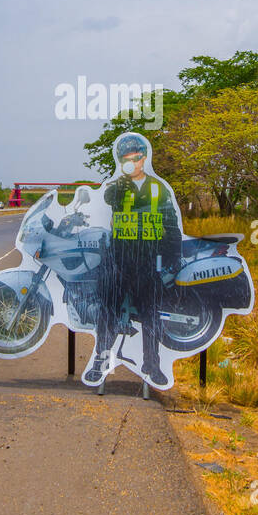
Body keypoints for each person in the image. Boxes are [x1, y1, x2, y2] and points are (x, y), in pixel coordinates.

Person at [87, 133, 182, 388]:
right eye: (126, 159)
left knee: (151, 316)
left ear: (144, 158)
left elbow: (171, 224)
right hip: (119, 261)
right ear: (121, 161)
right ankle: (100, 361)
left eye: (136, 158)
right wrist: (121, 184)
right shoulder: (118, 187)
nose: (132, 162)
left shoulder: (158, 188)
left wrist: (174, 259)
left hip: (148, 262)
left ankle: (152, 365)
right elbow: (109, 199)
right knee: (108, 311)